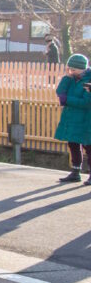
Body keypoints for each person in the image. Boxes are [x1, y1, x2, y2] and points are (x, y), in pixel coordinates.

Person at [54, 54, 91, 185]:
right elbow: (60, 91)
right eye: (70, 69)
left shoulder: (88, 81)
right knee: (73, 144)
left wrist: (67, 100)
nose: (72, 71)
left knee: (88, 146)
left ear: (82, 68)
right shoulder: (71, 78)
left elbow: (87, 102)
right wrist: (67, 77)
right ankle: (75, 172)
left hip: (86, 119)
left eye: (74, 69)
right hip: (72, 117)